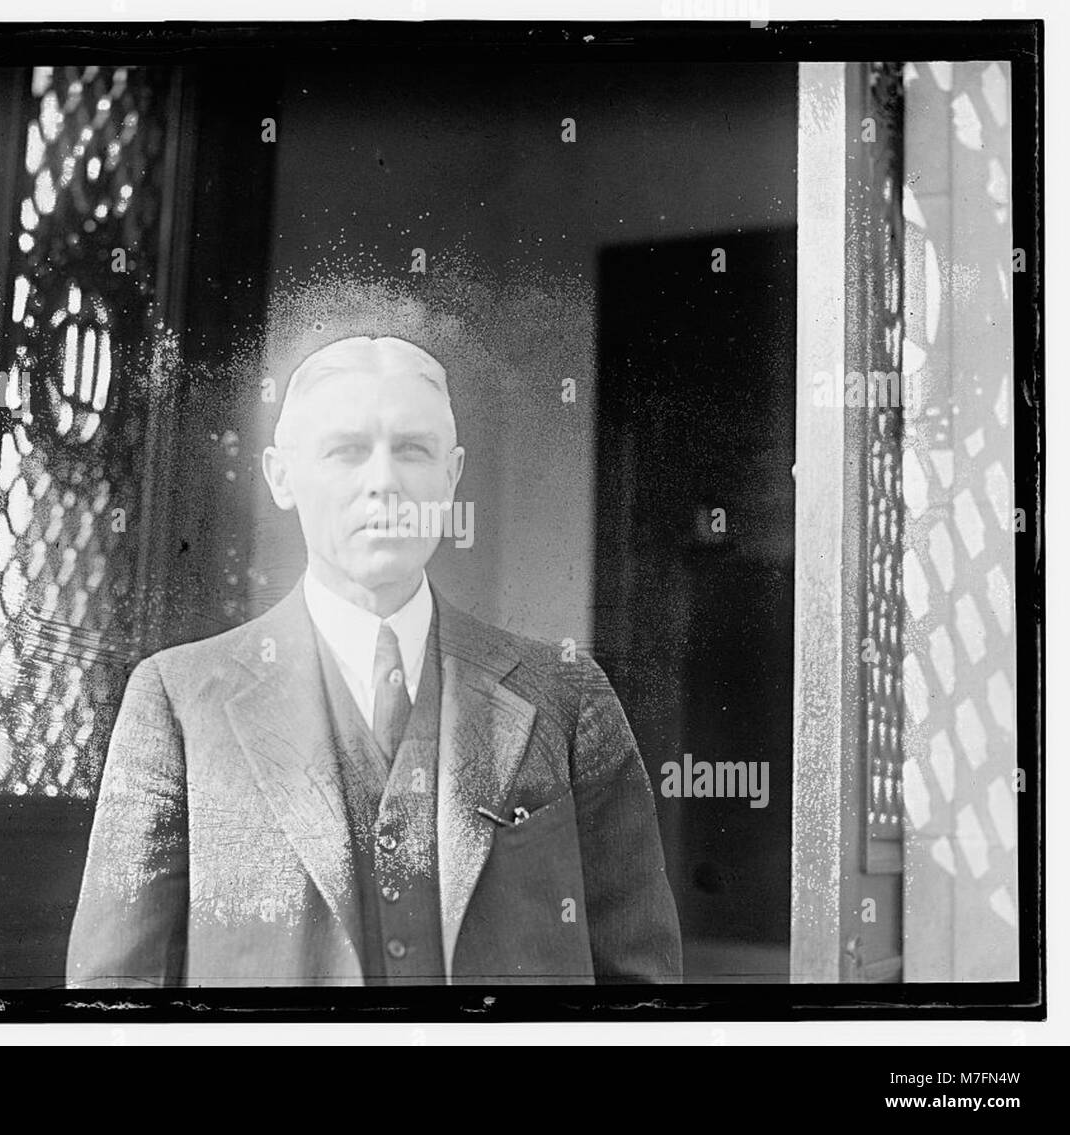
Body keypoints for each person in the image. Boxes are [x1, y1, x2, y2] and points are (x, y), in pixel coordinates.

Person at [66, 334, 681, 986]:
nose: (383, 482)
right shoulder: (178, 701)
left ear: (452, 476)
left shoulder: (566, 695)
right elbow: (113, 997)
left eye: (413, 450)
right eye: (345, 451)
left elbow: (640, 988)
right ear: (282, 476)